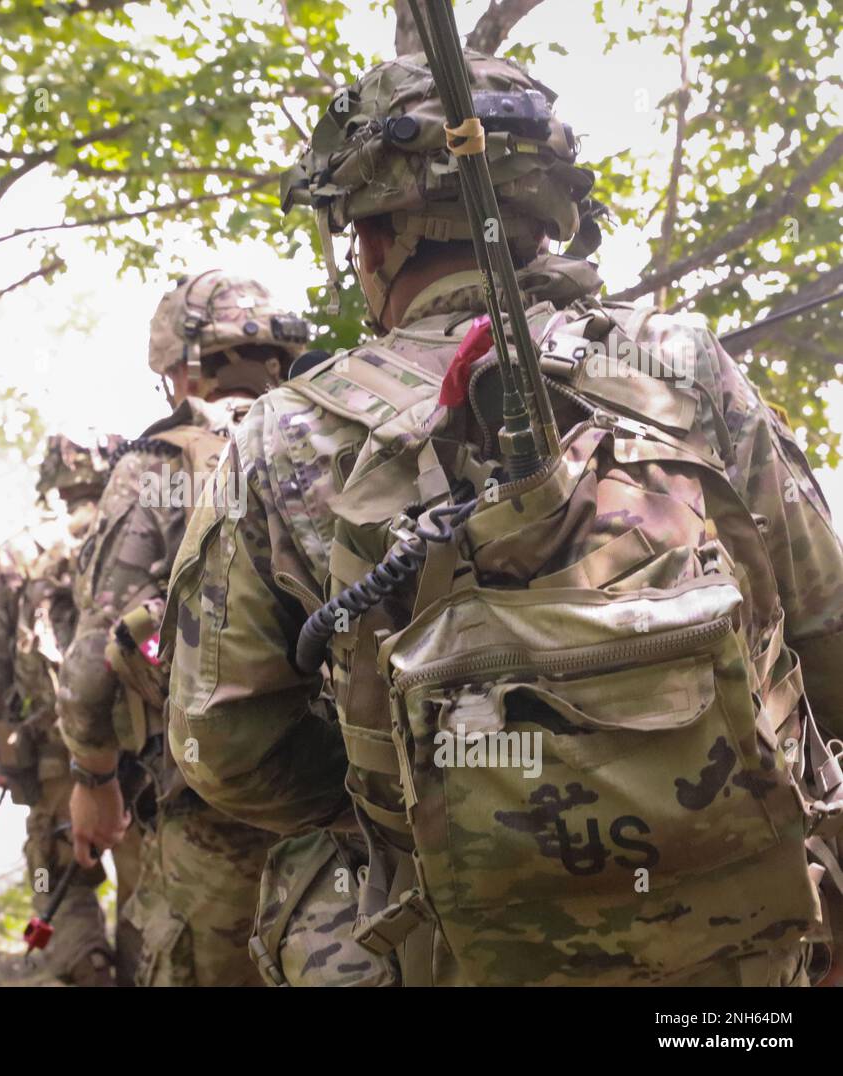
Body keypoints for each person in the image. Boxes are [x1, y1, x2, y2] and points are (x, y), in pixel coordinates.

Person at [164, 50, 843, 987]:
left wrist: (421, 791)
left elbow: (224, 746)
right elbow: (823, 626)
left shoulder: (283, 433)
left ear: (372, 238)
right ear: (550, 210)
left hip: (449, 945)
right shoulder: (681, 364)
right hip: (727, 963)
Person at [56, 270, 310, 986]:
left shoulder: (161, 463)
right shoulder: (352, 439)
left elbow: (90, 657)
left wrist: (91, 776)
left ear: (179, 370)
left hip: (215, 818)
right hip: (360, 820)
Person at [0, 433, 138, 986]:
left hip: (54, 764)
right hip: (143, 757)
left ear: (53, 479)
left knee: (63, 894)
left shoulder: (12, 555)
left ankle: (87, 967)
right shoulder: (138, 533)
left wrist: (9, 762)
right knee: (151, 897)